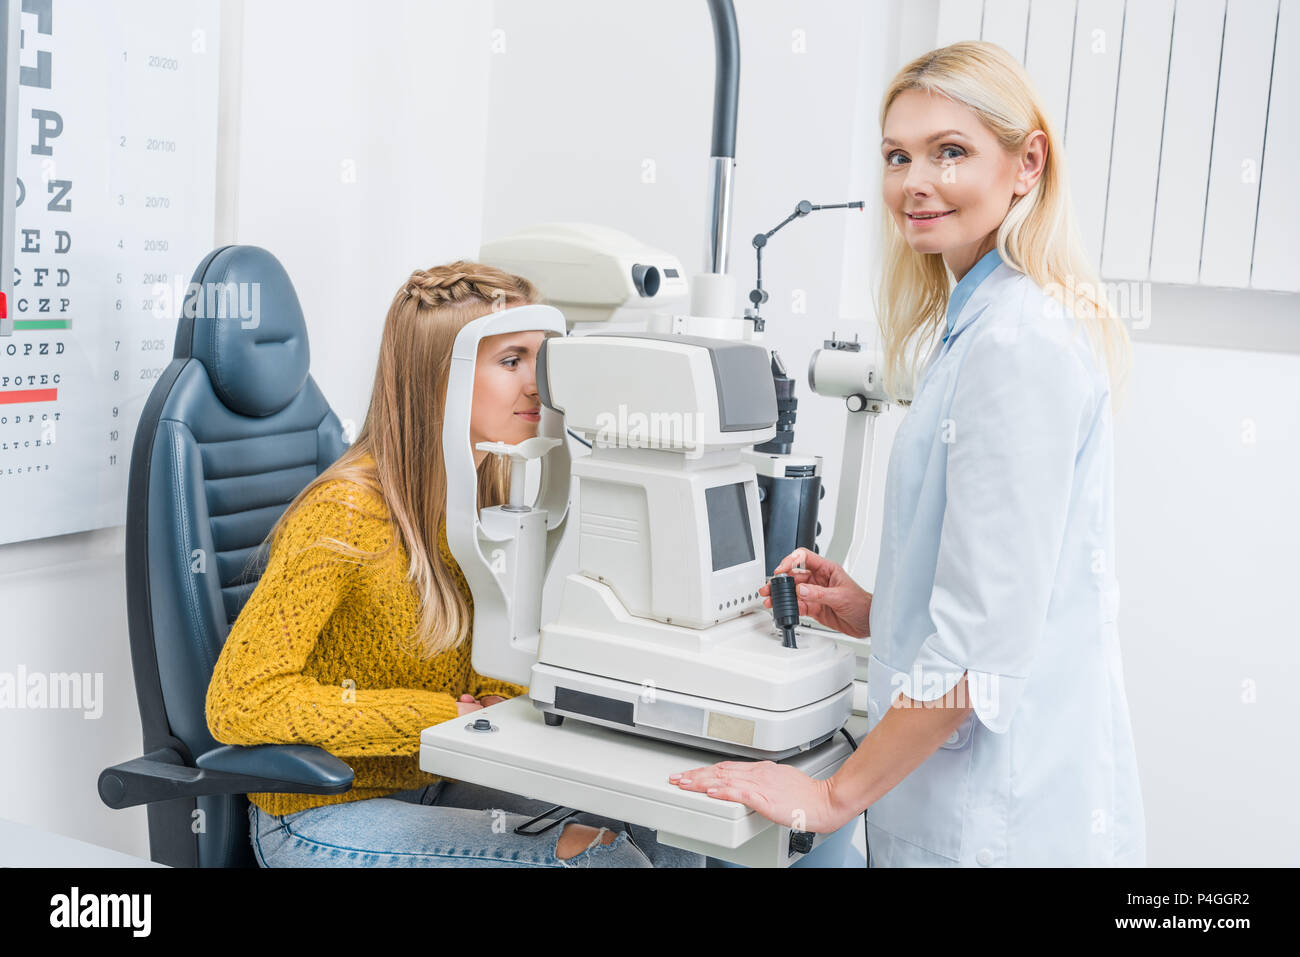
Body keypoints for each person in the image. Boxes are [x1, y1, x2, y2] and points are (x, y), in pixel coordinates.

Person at [670, 41, 1146, 867]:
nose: (914, 182)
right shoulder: (984, 323)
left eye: (949, 152)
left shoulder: (1015, 342)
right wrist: (876, 607)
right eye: (897, 156)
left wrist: (831, 795)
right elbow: (996, 589)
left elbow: (976, 654)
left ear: (1027, 163)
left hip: (999, 825)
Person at [206, 261, 703, 867]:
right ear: (439, 378)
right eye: (511, 361)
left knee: (671, 825)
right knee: (605, 861)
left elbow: (493, 663)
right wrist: (441, 716)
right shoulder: (344, 513)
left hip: (437, 778)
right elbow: (241, 703)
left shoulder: (491, 488)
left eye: (539, 361)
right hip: (320, 812)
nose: (536, 386)